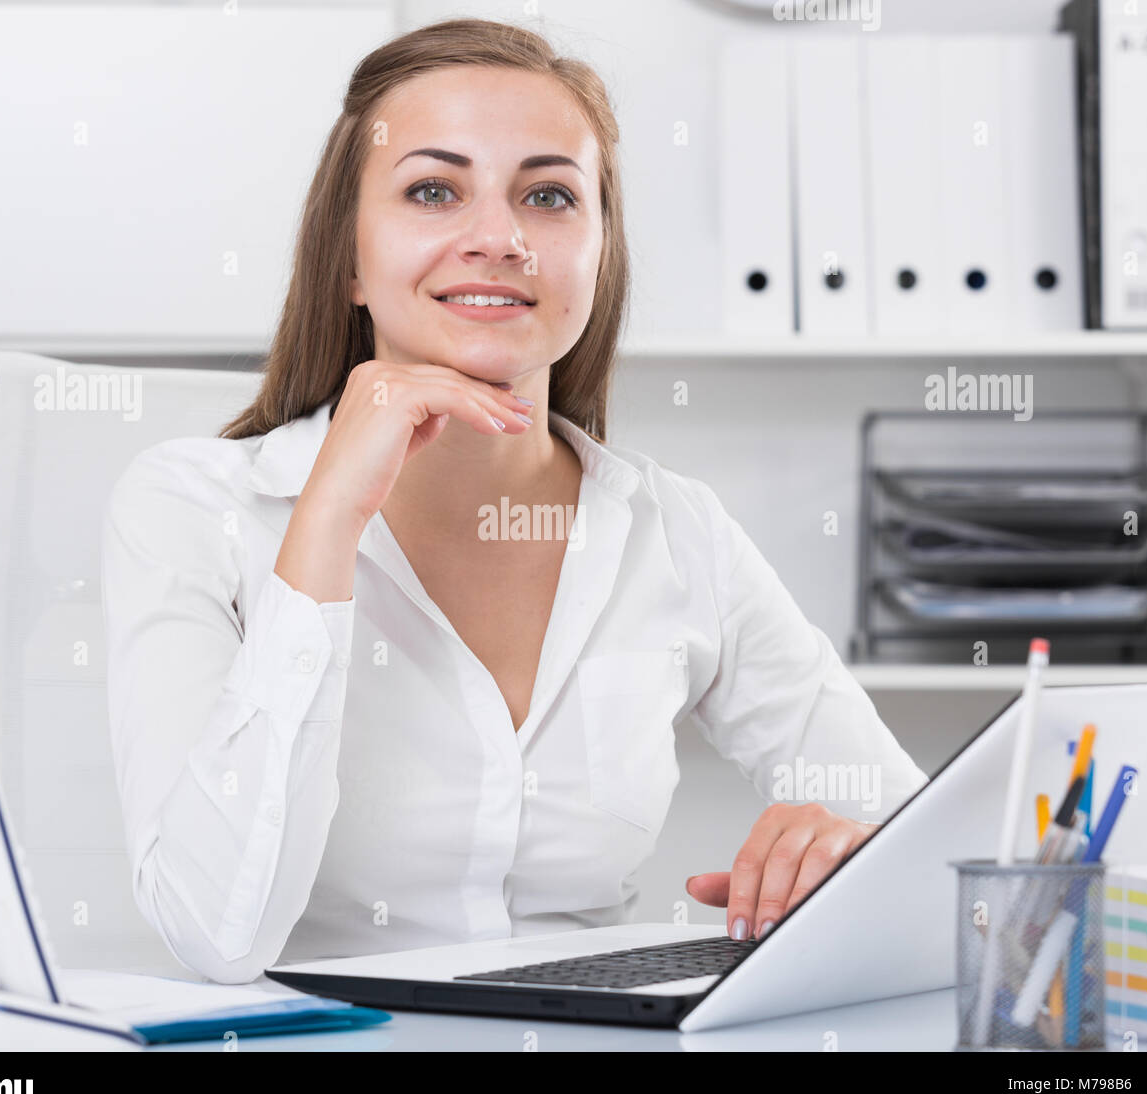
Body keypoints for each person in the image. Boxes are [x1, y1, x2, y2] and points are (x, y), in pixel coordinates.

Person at [101, 17, 927, 985]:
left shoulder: (674, 530)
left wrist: (849, 843)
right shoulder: (192, 505)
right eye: (432, 190)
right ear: (352, 260)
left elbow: (914, 836)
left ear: (597, 255)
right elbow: (216, 934)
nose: (498, 237)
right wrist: (323, 528)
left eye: (547, 196)